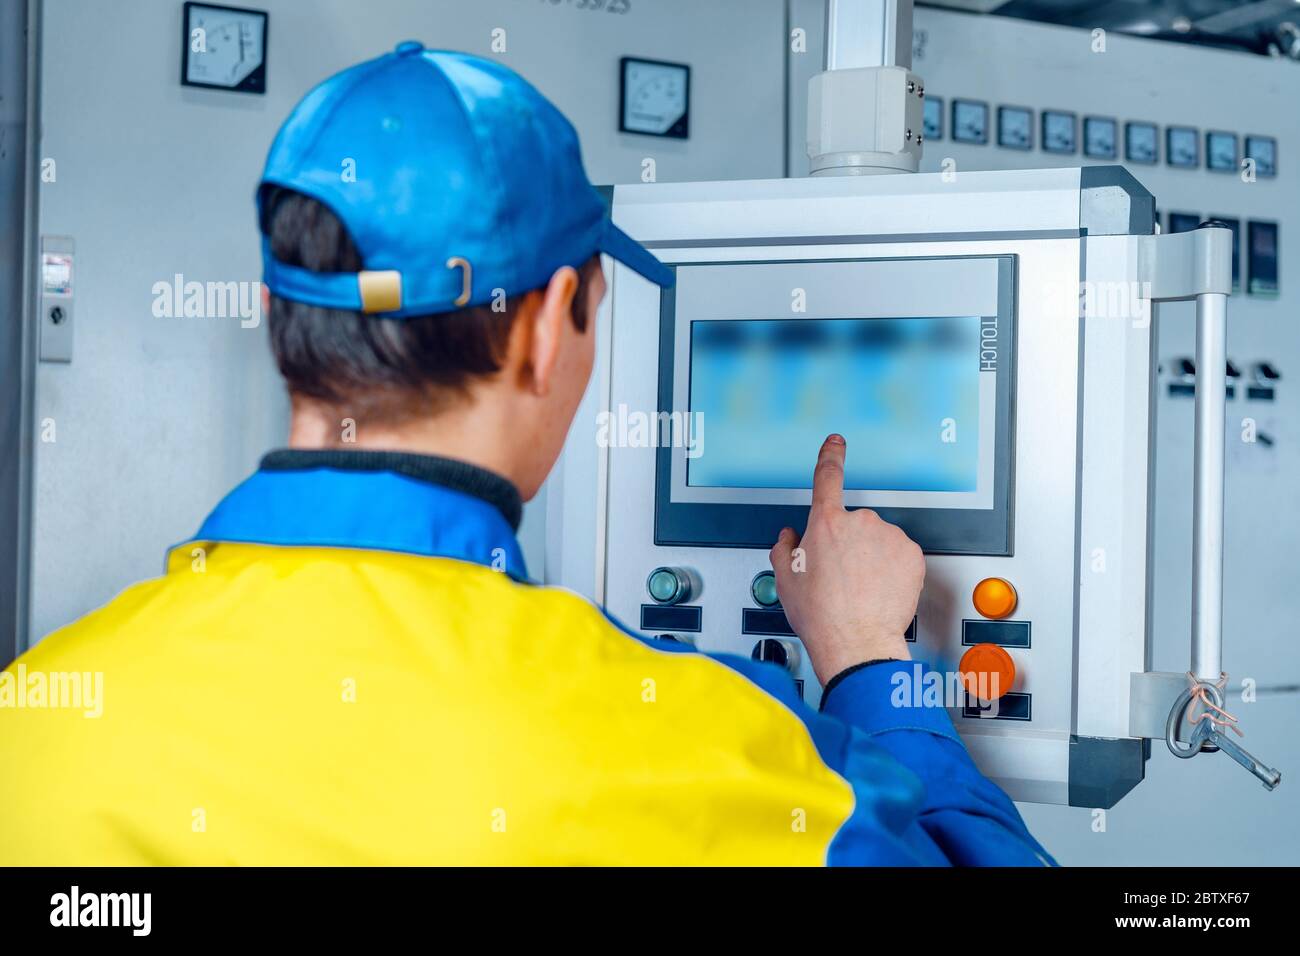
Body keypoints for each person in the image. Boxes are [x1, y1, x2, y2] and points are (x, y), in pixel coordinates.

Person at [0, 43, 1052, 866]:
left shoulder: (38, 714)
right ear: (548, 325)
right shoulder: (701, 750)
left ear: (281, 314)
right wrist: (872, 665)